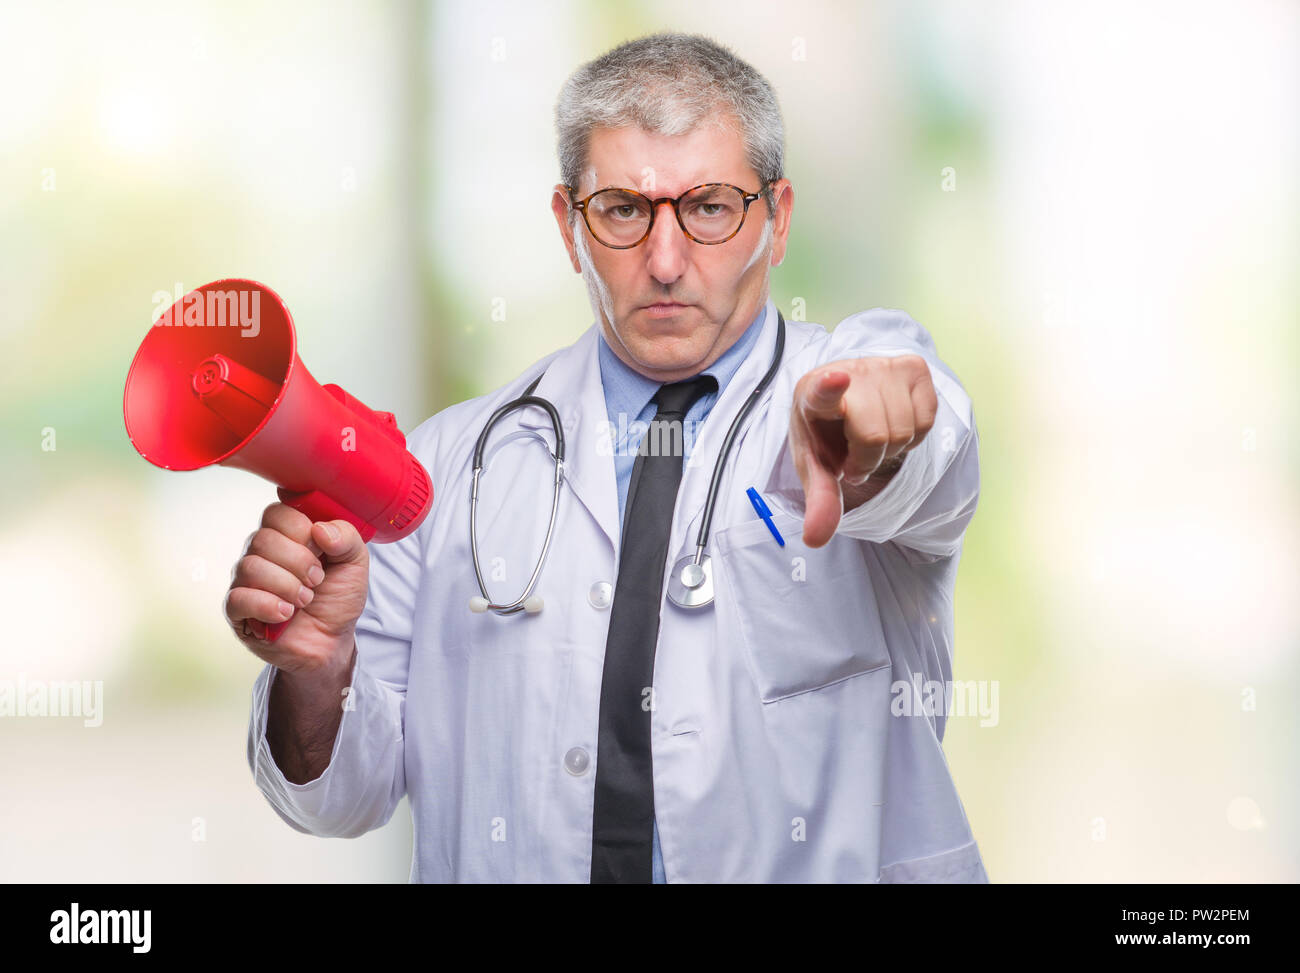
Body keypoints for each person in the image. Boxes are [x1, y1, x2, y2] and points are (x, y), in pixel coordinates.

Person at [227, 31, 987, 883]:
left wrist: (886, 433)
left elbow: (937, 464)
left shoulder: (845, 399)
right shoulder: (445, 468)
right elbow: (340, 799)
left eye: (709, 207)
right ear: (569, 225)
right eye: (624, 209)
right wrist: (320, 671)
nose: (665, 263)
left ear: (775, 222)